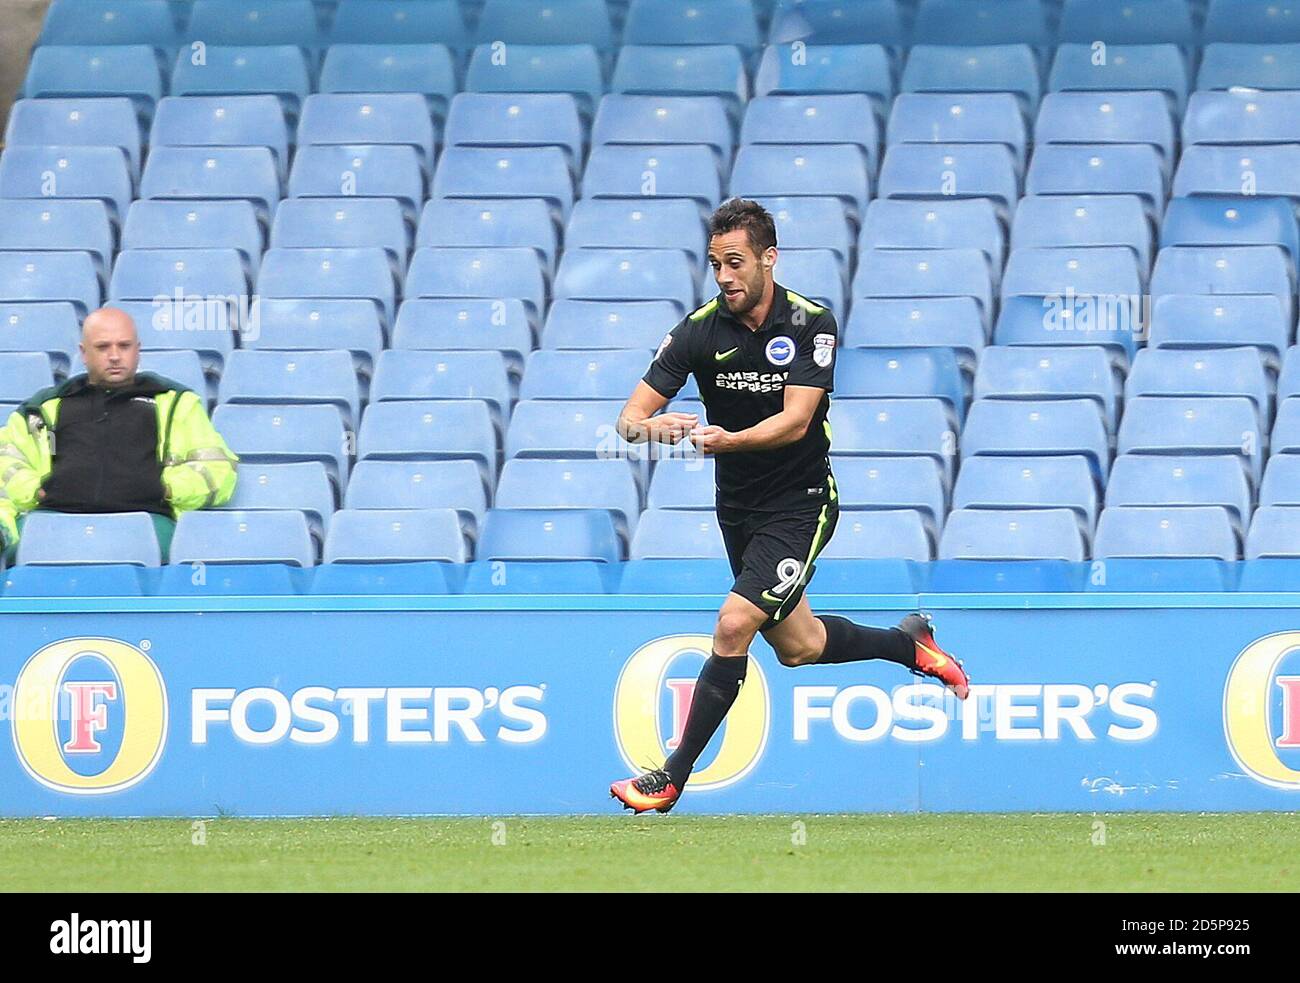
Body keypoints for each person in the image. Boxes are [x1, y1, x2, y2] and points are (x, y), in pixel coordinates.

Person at [609, 199, 971, 814]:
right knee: (798, 645)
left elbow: (797, 422)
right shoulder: (698, 331)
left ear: (768, 258)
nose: (724, 276)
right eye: (715, 264)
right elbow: (627, 421)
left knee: (731, 625)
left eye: (735, 262)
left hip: (801, 502)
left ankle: (669, 778)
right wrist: (652, 429)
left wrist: (725, 440)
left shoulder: (810, 323)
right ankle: (912, 645)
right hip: (739, 508)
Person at [0, 306, 238, 563]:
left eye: (124, 346)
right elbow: (7, 462)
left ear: (138, 350)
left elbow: (217, 469)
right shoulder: (43, 408)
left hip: (148, 521)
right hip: (52, 519)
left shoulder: (176, 403)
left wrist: (166, 489)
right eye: (103, 347)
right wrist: (37, 491)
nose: (115, 356)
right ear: (83, 353)